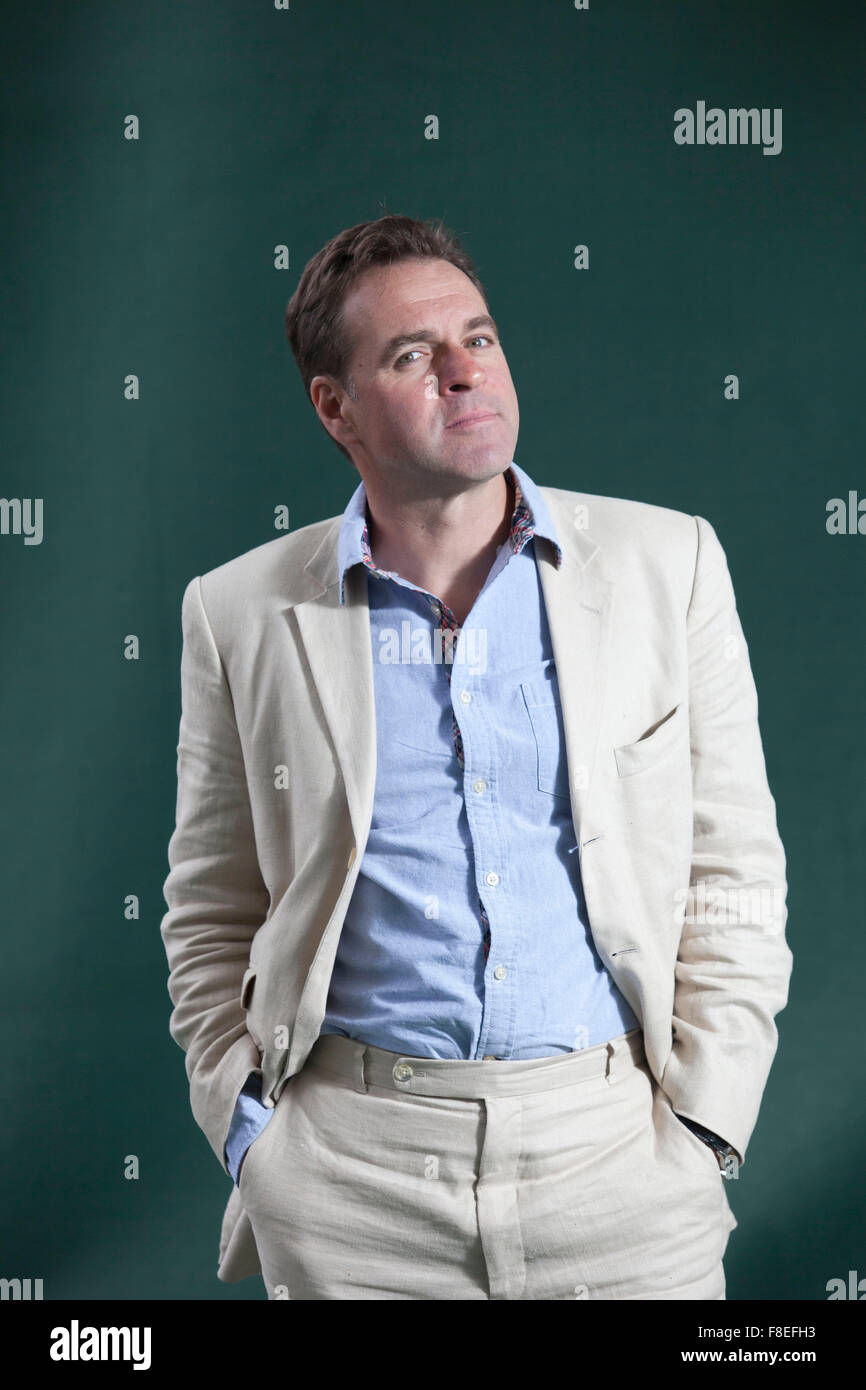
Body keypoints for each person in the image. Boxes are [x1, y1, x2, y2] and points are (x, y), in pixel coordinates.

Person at [159, 213, 792, 1300]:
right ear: (334, 407)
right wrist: (254, 1136)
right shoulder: (237, 613)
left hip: (617, 1172)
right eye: (412, 355)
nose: (463, 371)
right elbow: (210, 908)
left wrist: (705, 1126)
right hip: (351, 1185)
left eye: (479, 336)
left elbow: (731, 867)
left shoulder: (667, 563)